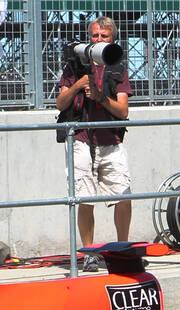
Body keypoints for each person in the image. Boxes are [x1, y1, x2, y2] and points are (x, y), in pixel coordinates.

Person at [56, 16, 131, 271]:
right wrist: (78, 84)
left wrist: (100, 98)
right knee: (84, 199)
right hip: (80, 139)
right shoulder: (74, 66)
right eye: (95, 36)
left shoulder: (117, 67)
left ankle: (123, 250)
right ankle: (89, 254)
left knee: (123, 195)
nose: (99, 40)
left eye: (104, 37)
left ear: (113, 39)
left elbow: (122, 111)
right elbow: (60, 104)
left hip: (110, 140)